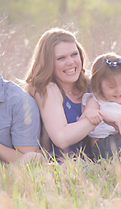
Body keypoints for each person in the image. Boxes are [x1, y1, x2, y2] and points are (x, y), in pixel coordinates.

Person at [24, 28, 98, 159]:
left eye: (74, 54)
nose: (70, 62)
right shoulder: (46, 88)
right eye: (61, 58)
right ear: (47, 63)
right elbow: (61, 138)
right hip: (60, 167)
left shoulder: (90, 84)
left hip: (98, 162)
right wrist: (99, 118)